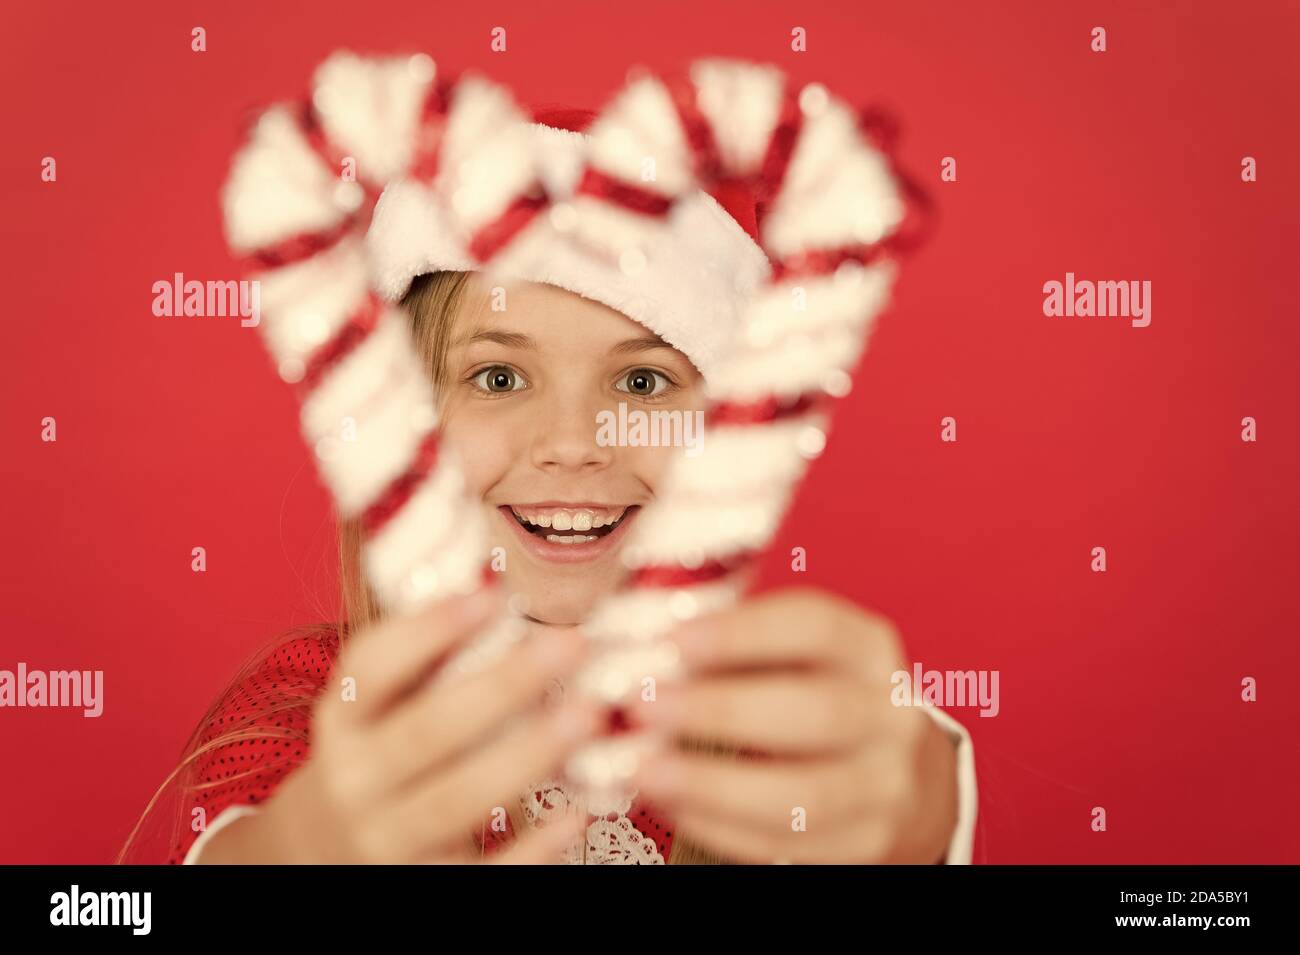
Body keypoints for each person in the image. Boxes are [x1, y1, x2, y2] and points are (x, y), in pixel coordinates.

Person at [125, 109, 977, 865]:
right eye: (497, 378)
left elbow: (888, 802)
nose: (575, 445)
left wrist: (931, 805)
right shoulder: (304, 713)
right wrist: (305, 848)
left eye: (642, 384)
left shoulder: (773, 735)